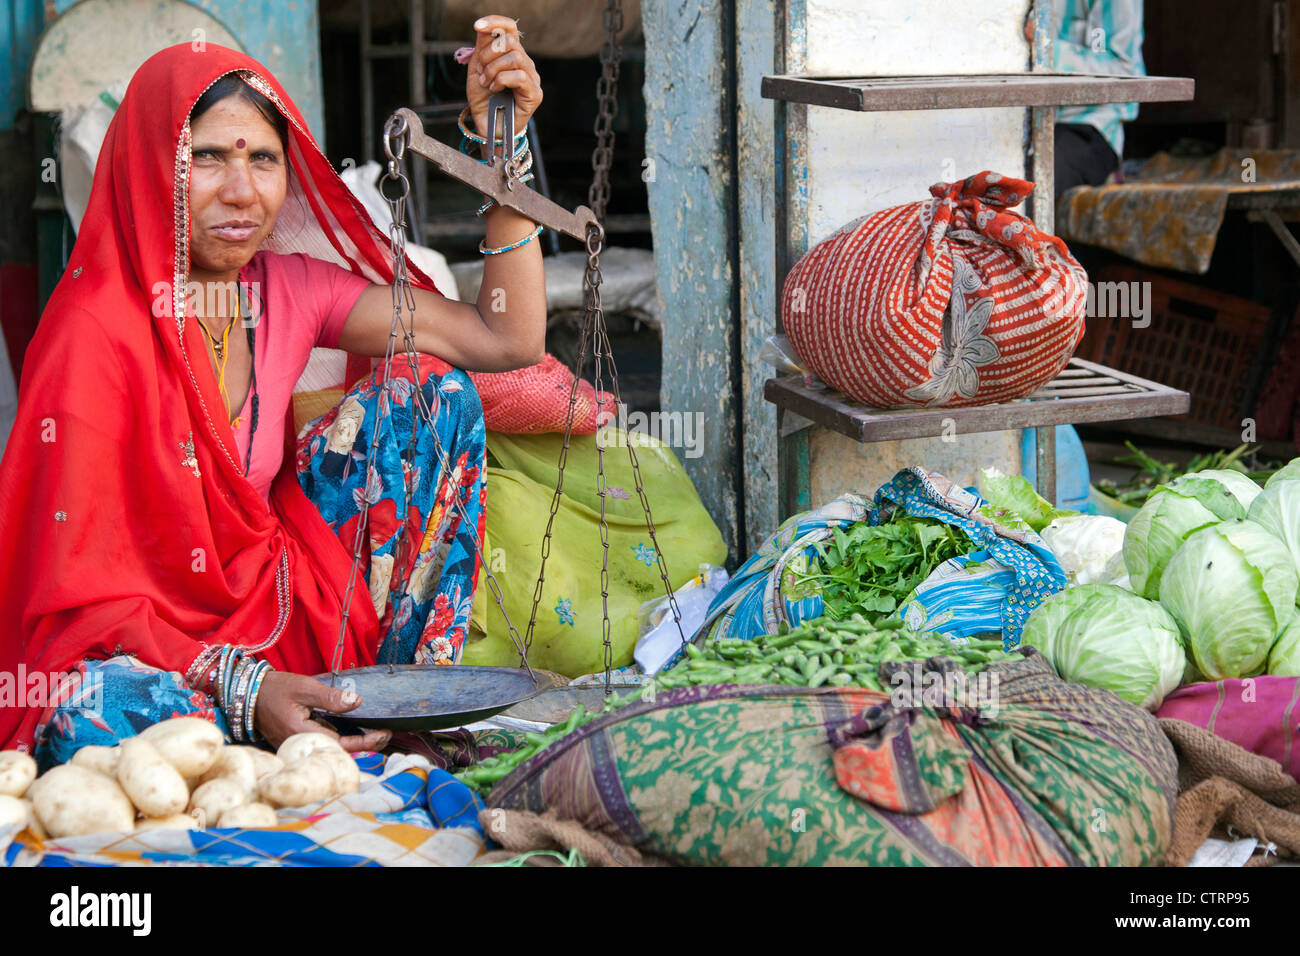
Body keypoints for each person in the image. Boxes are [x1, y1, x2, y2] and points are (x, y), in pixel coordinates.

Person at [0, 17, 547, 764]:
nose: (242, 191)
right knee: (84, 713)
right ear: (152, 163)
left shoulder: (284, 291)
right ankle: (285, 721)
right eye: (210, 157)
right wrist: (246, 689)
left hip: (279, 604)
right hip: (154, 649)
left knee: (432, 400)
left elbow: (504, 340)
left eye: (264, 159)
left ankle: (395, 705)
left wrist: (503, 149)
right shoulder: (91, 331)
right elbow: (78, 597)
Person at [1027, 0, 1145, 196]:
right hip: (1022, 125)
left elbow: (1119, 69)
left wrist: (1045, 49)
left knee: (1023, 194)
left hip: (1086, 126)